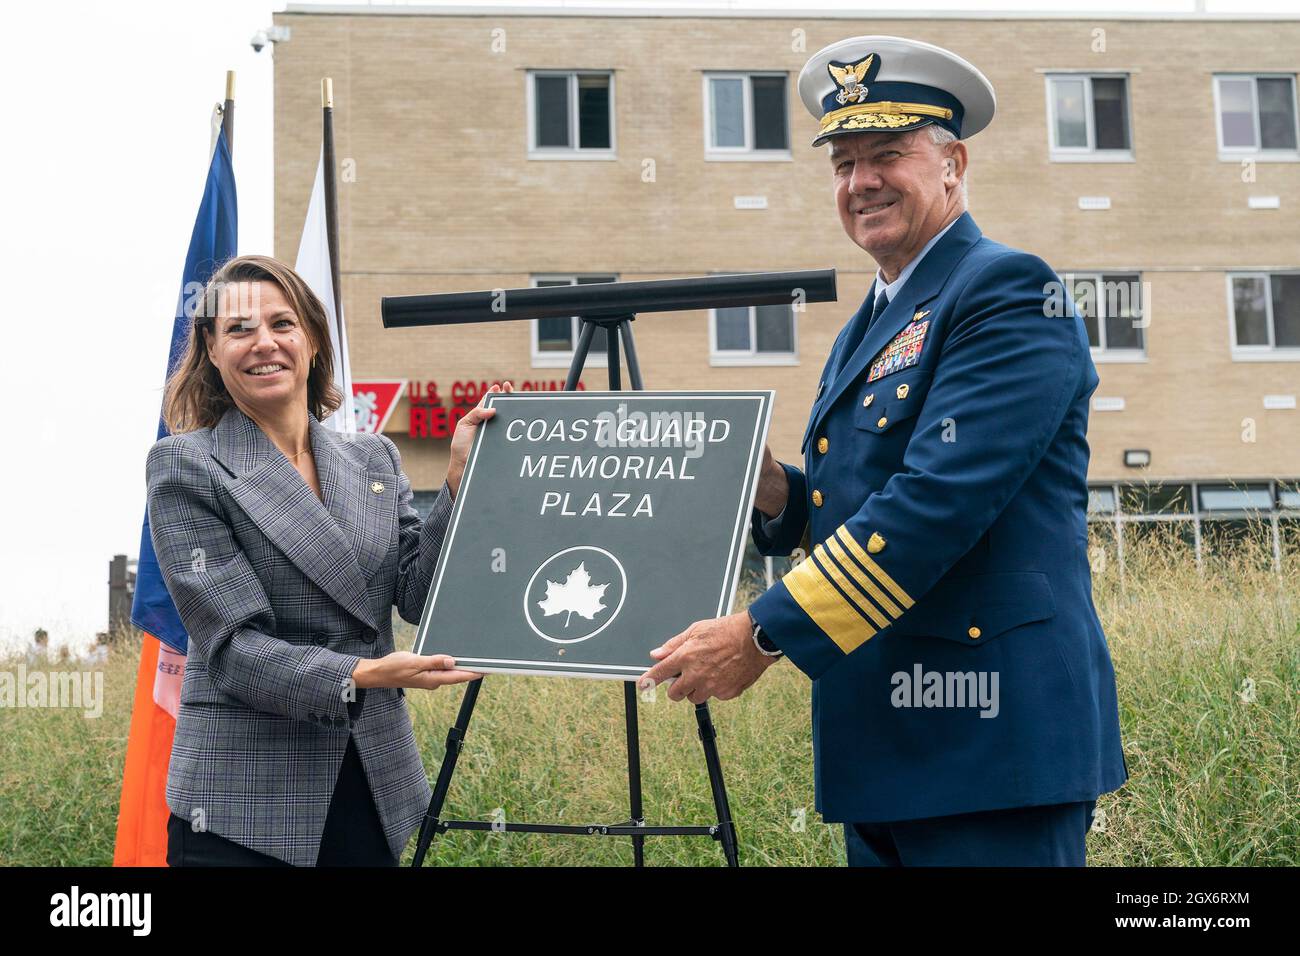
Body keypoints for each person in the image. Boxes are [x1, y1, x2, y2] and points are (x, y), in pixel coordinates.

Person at [640, 36, 1127, 866]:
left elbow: (939, 503)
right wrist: (771, 490)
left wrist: (760, 633)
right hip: (881, 748)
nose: (860, 181)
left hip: (991, 750)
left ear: (952, 164)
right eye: (843, 162)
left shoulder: (1009, 290)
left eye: (888, 155)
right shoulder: (876, 317)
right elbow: (850, 506)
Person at [147, 254, 504, 866]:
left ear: (311, 337)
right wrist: (364, 674)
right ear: (209, 348)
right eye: (238, 329)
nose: (264, 343)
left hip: (370, 780)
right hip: (244, 808)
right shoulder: (186, 465)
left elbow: (418, 597)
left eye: (282, 324)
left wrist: (455, 482)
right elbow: (233, 652)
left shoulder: (374, 459)